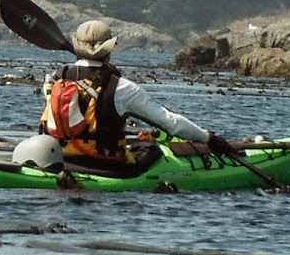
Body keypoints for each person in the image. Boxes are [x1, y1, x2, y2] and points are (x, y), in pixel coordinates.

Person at [41, 19, 239, 164]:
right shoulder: (122, 88)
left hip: (61, 159)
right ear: (109, 51)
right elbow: (171, 123)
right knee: (153, 151)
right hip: (106, 165)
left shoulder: (55, 79)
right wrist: (210, 139)